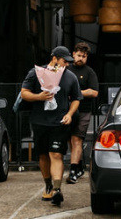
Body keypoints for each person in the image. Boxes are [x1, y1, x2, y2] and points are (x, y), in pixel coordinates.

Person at [20, 46, 82, 207]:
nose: (67, 65)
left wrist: (69, 114)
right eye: (64, 61)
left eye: (69, 62)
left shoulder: (70, 77)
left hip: (59, 123)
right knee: (43, 155)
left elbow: (76, 98)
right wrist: (38, 96)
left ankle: (56, 190)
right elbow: (24, 92)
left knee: (56, 155)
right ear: (54, 58)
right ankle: (48, 184)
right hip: (39, 121)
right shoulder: (35, 73)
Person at [65, 41, 99, 184]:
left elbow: (94, 92)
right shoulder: (66, 70)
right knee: (70, 140)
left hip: (84, 110)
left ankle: (72, 171)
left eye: (84, 56)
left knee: (77, 139)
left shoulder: (89, 72)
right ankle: (78, 166)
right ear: (73, 54)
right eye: (78, 55)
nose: (80, 58)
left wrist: (76, 93)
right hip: (67, 110)